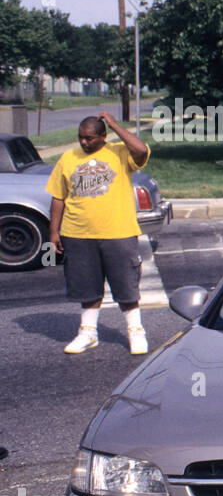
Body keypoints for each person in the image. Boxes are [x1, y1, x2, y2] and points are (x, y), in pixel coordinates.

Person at [46, 111, 152, 355]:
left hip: (118, 232)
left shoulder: (119, 152)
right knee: (87, 287)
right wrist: (54, 232)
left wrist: (115, 124)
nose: (84, 142)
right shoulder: (68, 158)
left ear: (103, 136)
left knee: (126, 286)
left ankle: (136, 331)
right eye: (81, 137)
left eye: (90, 138)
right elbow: (58, 196)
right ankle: (88, 332)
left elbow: (142, 151)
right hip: (78, 233)